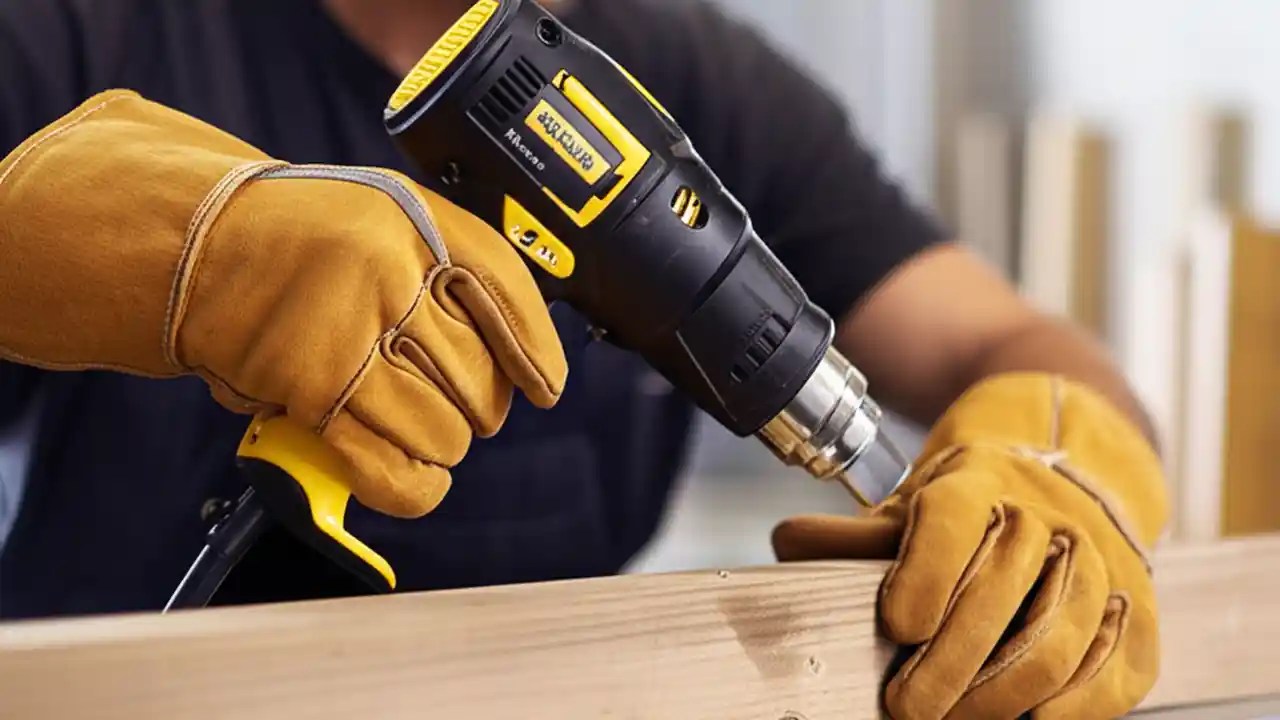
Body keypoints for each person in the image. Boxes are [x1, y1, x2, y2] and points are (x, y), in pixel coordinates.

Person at [0, 1, 1168, 717]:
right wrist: (183, 251)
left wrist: (1054, 456)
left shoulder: (703, 85)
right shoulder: (86, 32)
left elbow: (1007, 345)